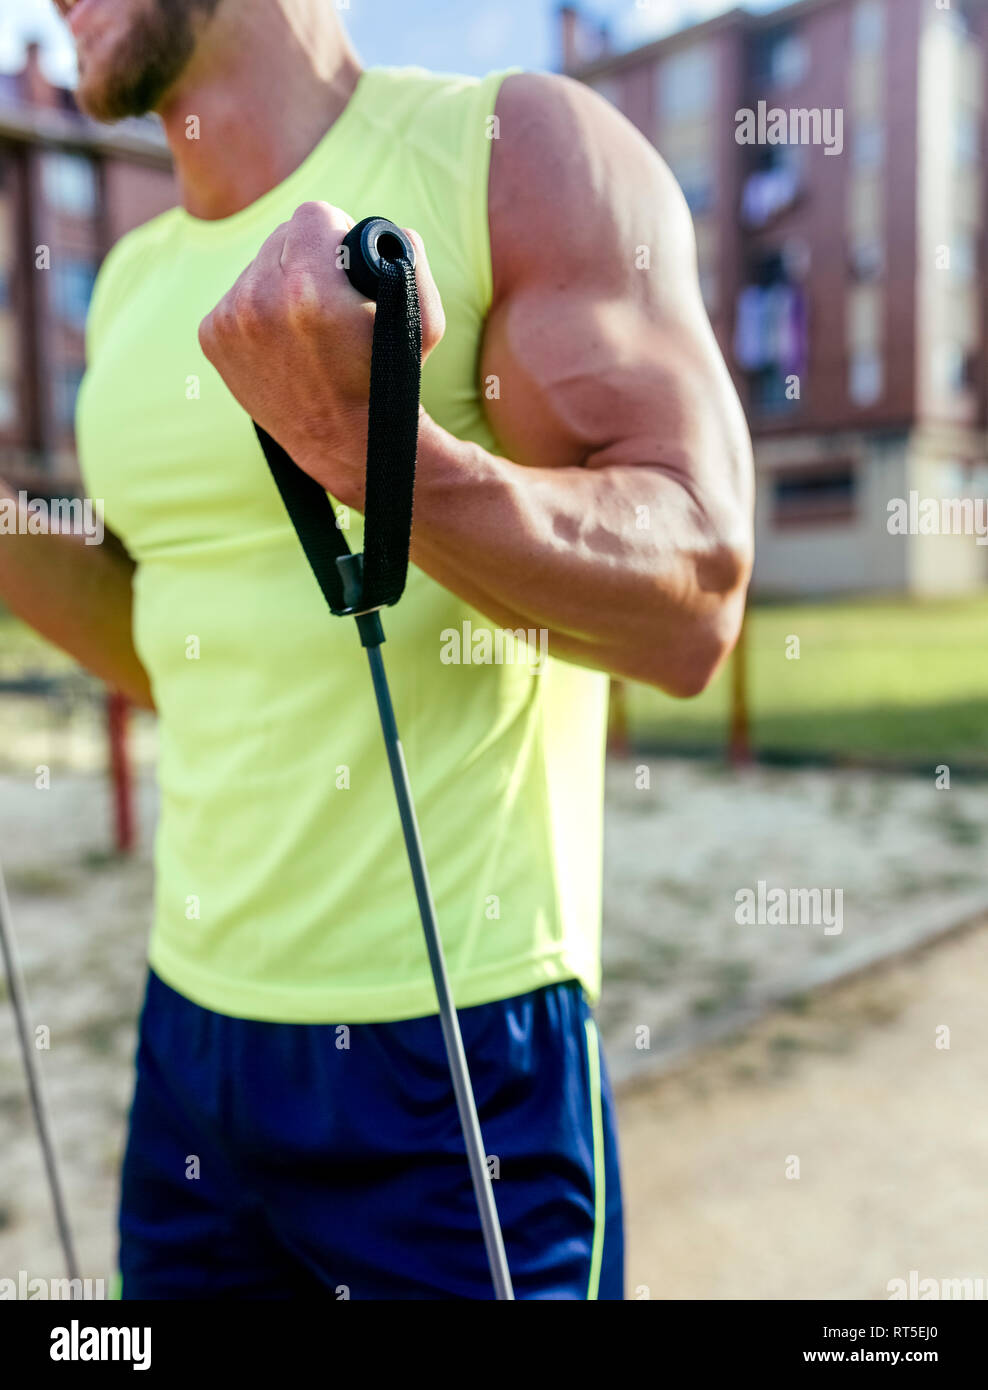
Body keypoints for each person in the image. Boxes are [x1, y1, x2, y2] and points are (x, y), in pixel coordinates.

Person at [1, 0, 753, 1299]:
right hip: (189, 1038)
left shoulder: (512, 154)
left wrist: (376, 459)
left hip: (454, 1052)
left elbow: (692, 593)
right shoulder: (126, 282)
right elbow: (170, 649)